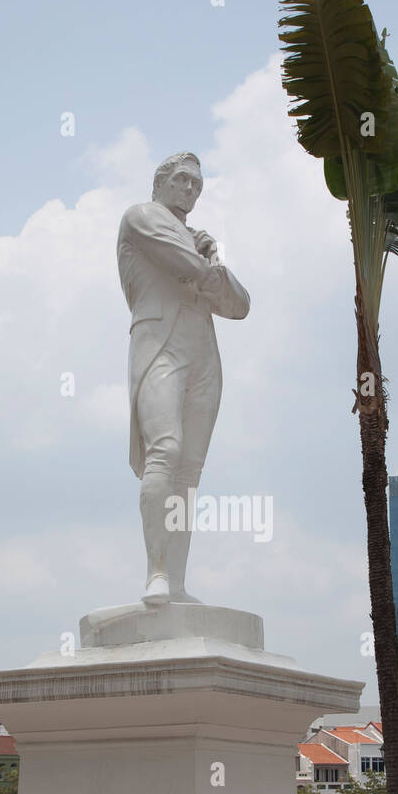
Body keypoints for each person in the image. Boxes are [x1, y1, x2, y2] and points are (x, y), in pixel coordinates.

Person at [117, 153, 250, 604]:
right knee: (165, 449)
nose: (190, 189)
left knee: (189, 471)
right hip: (160, 342)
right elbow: (184, 266)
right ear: (159, 182)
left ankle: (176, 581)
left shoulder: (200, 242)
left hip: (203, 354)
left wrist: (212, 261)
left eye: (197, 183)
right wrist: (208, 260)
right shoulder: (141, 218)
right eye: (181, 179)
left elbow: (240, 306)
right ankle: (155, 571)